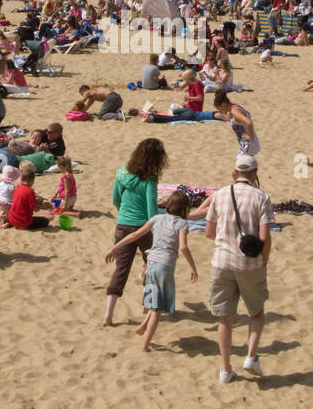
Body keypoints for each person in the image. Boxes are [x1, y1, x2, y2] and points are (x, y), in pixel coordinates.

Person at [197, 153, 274, 384]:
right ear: (255, 174)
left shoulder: (219, 195)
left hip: (222, 261)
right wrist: (264, 259)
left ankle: (225, 369)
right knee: (257, 312)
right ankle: (250, 356)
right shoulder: (262, 197)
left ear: (234, 173)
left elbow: (209, 232)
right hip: (249, 262)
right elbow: (265, 237)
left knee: (225, 318)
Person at [105, 192, 198, 351]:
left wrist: (115, 248)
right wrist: (193, 267)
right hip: (165, 266)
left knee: (154, 297)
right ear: (184, 209)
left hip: (151, 263)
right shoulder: (182, 224)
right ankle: (146, 345)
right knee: (158, 309)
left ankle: (142, 326)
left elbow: (134, 235)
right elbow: (183, 247)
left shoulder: (157, 219)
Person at [103, 138, 166, 326]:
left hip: (122, 226)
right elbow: (151, 212)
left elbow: (115, 199)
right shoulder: (150, 179)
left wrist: (124, 212)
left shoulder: (122, 172)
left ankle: (108, 315)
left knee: (121, 270)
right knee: (152, 267)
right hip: (144, 228)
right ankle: (147, 308)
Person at [213, 91, 259, 157]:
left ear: (223, 105)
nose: (220, 112)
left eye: (220, 109)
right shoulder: (233, 107)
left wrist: (251, 137)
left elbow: (249, 123)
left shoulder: (234, 111)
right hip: (245, 144)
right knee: (245, 166)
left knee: (240, 166)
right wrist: (230, 115)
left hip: (248, 144)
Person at [7, 163, 52, 230]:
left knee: (17, 216)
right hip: (23, 222)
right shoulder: (29, 191)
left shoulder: (18, 188)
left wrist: (39, 202)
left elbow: (25, 202)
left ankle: (7, 223)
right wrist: (44, 207)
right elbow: (35, 209)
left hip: (12, 219)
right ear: (32, 180)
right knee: (45, 220)